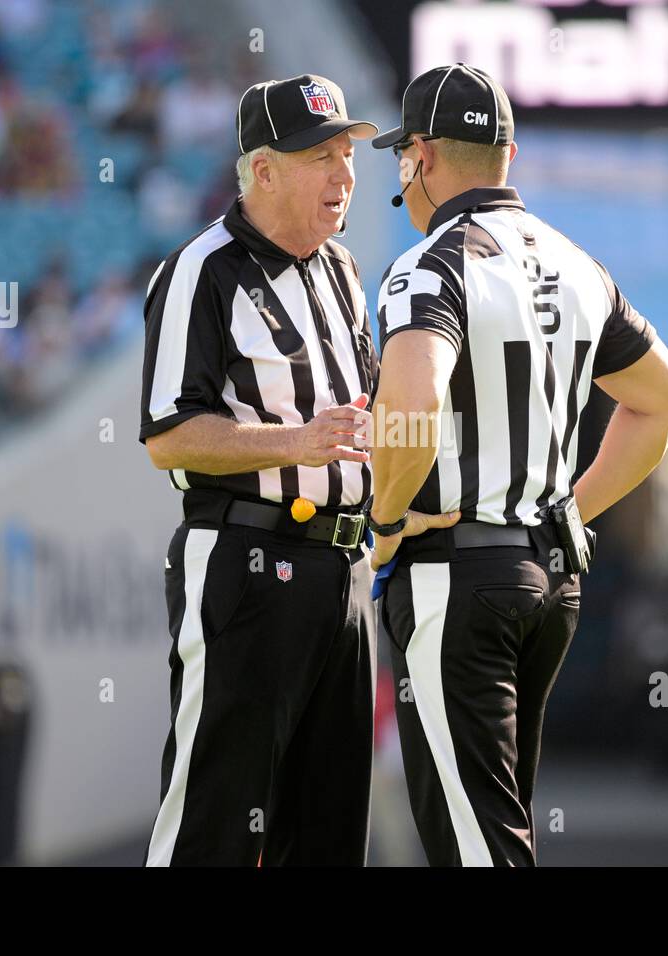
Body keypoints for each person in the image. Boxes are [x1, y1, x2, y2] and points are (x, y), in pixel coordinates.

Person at [367, 63, 668, 866]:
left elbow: (409, 413)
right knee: (497, 822)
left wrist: (375, 529)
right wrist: (571, 513)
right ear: (507, 155)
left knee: (473, 843)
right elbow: (665, 403)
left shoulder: (432, 266)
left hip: (457, 574)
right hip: (551, 580)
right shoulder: (577, 263)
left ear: (421, 157)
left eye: (401, 157)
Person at [138, 74, 452, 866]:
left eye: (347, 155)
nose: (345, 176)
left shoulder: (344, 272)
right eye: (321, 157)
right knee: (213, 815)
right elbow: (169, 436)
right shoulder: (200, 271)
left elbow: (367, 408)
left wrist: (410, 493)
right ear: (264, 170)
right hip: (246, 564)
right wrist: (293, 443)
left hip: (343, 572)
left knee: (329, 830)